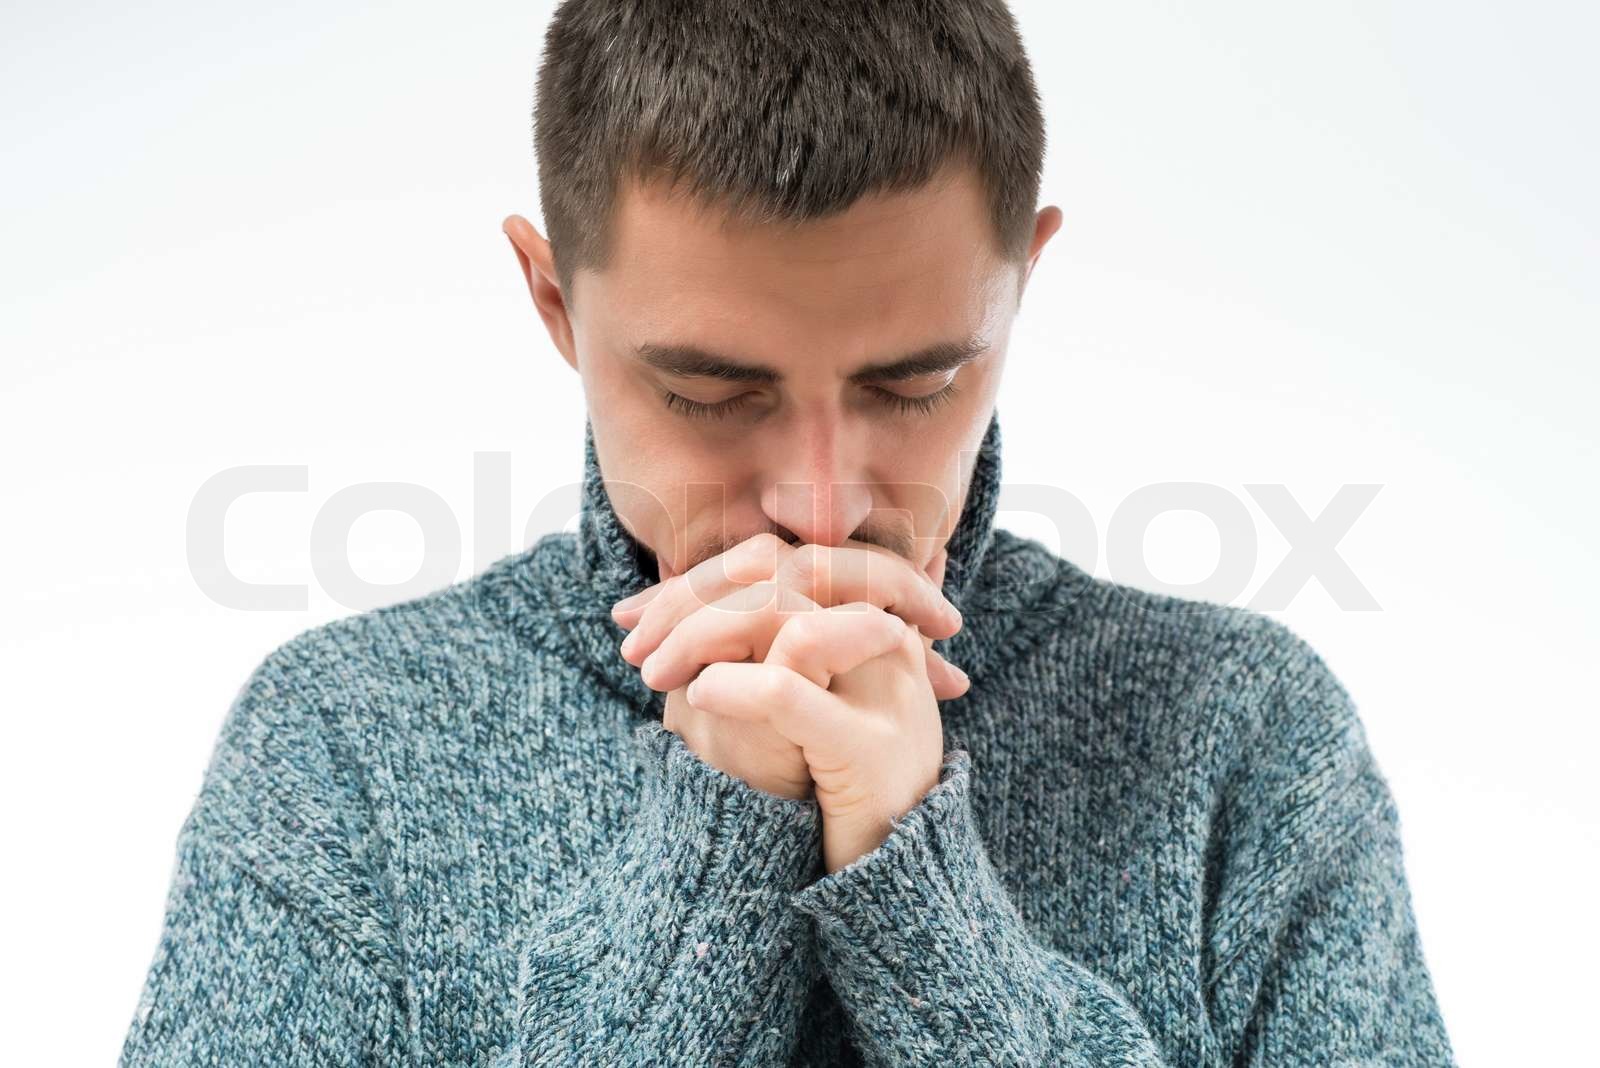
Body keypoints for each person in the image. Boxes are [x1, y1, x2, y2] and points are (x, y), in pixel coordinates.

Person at [119, 1, 1456, 1064]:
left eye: (915, 385)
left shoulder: (1243, 735)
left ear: (1021, 286)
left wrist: (922, 894)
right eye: (710, 394)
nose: (820, 503)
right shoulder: (347, 746)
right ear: (552, 303)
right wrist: (714, 853)